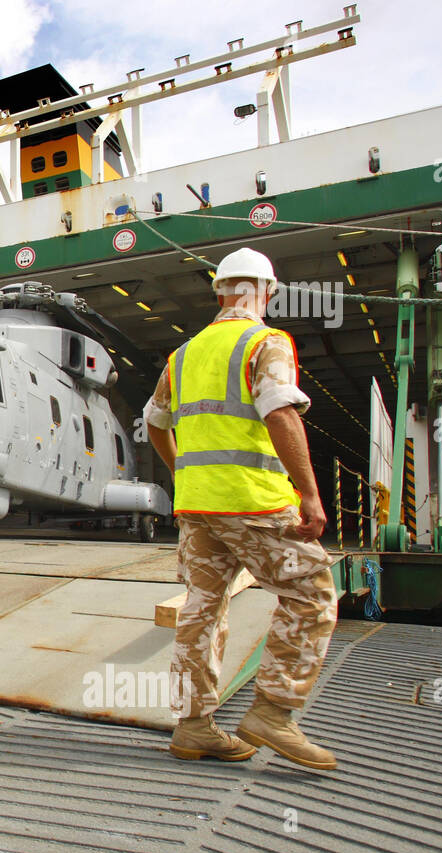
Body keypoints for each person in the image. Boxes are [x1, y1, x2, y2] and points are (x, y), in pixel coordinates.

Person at [144, 247, 339, 770]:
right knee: (313, 597)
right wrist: (311, 495)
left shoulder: (182, 355)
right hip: (252, 503)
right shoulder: (266, 341)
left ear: (219, 292)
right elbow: (280, 412)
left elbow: (154, 422)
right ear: (265, 291)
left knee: (202, 611)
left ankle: (193, 727)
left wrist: (184, 469)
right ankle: (272, 713)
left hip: (199, 508)